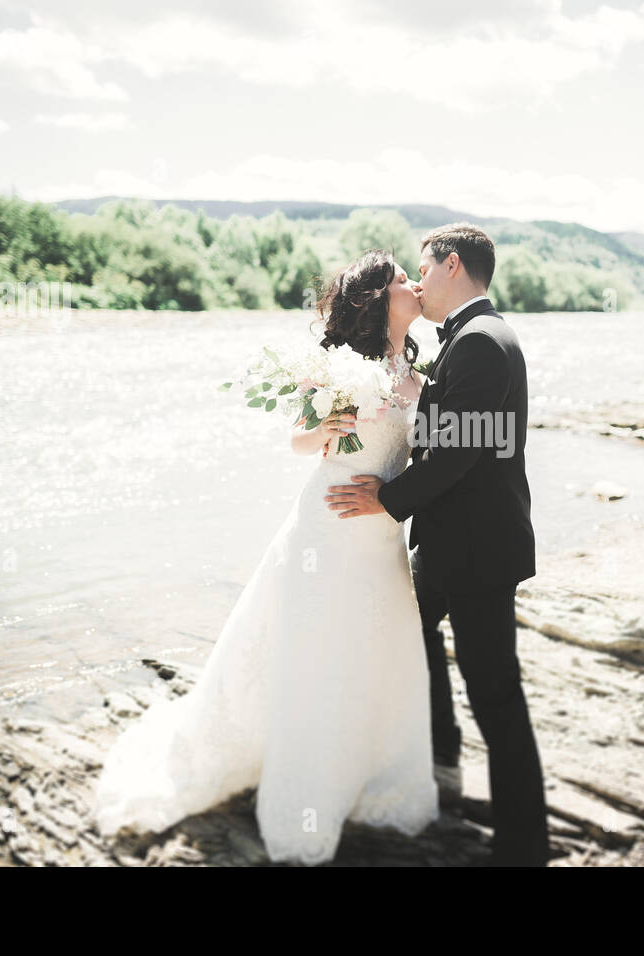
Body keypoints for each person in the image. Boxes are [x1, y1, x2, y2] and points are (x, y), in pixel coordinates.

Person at [91, 250, 438, 865]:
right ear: (379, 298)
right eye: (402, 279)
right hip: (327, 527)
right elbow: (299, 440)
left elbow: (424, 458)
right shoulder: (339, 365)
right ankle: (303, 785)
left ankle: (372, 772)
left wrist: (399, 500)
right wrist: (334, 423)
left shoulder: (417, 374)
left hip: (380, 533)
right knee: (315, 650)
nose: (414, 284)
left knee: (375, 648)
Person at [325, 223, 549, 867]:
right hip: (448, 548)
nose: (418, 282)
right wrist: (419, 398)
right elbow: (460, 426)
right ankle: (438, 764)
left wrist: (384, 501)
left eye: (423, 268)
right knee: (408, 644)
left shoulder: (481, 339)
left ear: (452, 265)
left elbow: (462, 451)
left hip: (476, 554)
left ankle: (523, 845)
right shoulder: (475, 339)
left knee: (496, 695)